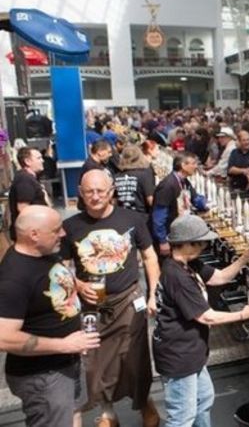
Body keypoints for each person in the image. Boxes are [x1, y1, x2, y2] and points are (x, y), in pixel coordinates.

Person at [63, 170, 161, 427]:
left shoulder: (133, 219)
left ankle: (145, 403)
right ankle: (107, 413)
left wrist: (153, 294)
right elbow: (61, 270)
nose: (95, 196)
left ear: (111, 192)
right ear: (81, 194)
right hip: (90, 306)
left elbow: (150, 257)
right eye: (88, 191)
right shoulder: (70, 227)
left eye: (100, 191)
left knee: (135, 358)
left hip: (128, 300)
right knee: (94, 362)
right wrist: (77, 283)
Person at [153, 214, 249, 427]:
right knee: (181, 418)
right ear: (186, 243)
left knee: (203, 399)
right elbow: (206, 316)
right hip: (178, 355)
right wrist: (243, 315)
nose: (204, 245)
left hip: (191, 351)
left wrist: (245, 257)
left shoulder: (189, 264)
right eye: (201, 241)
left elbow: (219, 277)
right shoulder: (176, 275)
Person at [0, 206, 100, 427]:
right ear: (33, 235)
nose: (63, 234)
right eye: (56, 230)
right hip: (43, 375)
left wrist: (80, 286)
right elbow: (3, 337)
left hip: (68, 362)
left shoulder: (43, 252)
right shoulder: (13, 278)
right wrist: (63, 345)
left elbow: (53, 277)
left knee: (74, 414)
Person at [152, 152, 208, 258]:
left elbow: (195, 198)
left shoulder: (184, 181)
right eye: (193, 163)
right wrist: (163, 241)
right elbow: (158, 217)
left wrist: (205, 204)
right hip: (170, 235)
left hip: (180, 230)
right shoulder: (167, 186)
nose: (196, 166)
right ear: (183, 165)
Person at [9, 147, 51, 241]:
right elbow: (23, 209)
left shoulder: (30, 178)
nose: (43, 160)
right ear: (27, 161)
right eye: (39, 158)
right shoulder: (24, 179)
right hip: (31, 236)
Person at [114, 145, 156, 214]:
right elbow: (150, 200)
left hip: (121, 216)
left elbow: (114, 202)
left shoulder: (116, 177)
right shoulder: (144, 175)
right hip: (140, 216)